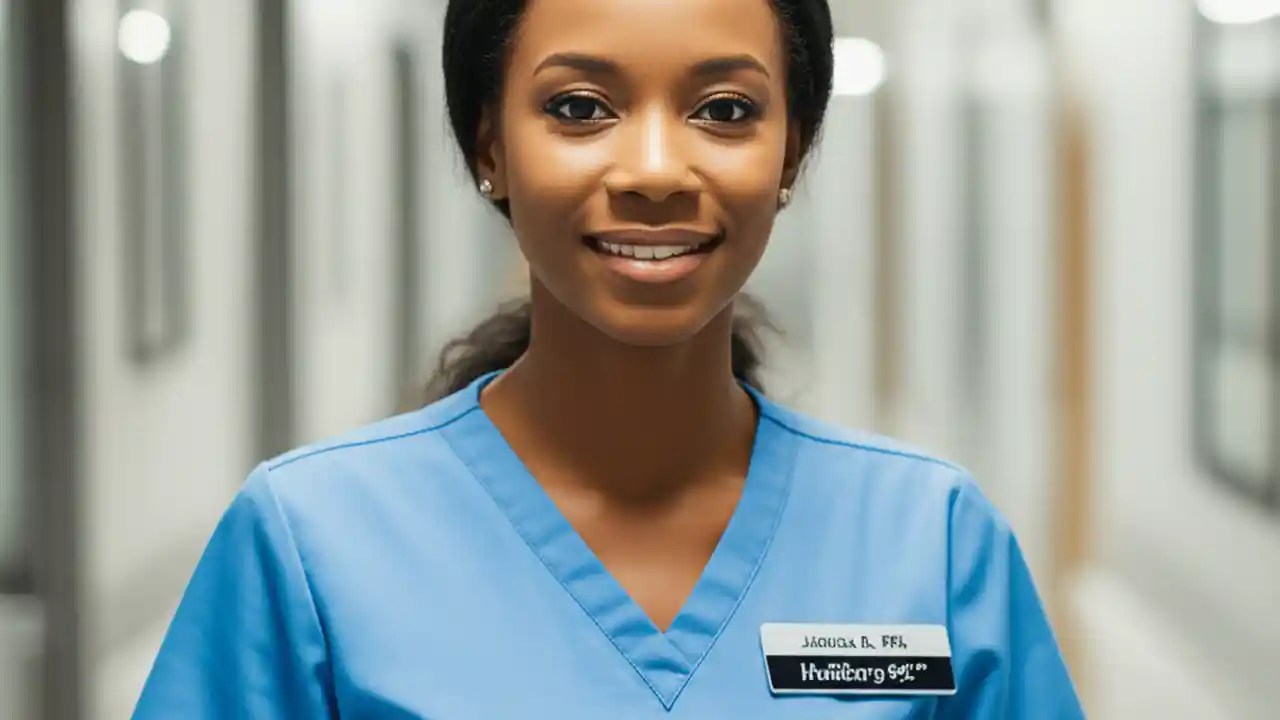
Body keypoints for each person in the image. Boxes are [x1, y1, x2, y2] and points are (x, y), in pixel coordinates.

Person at [133, 0, 1085, 716]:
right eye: (581, 107)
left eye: (723, 108)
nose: (657, 171)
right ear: (488, 148)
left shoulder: (933, 542)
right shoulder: (310, 546)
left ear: (791, 153)